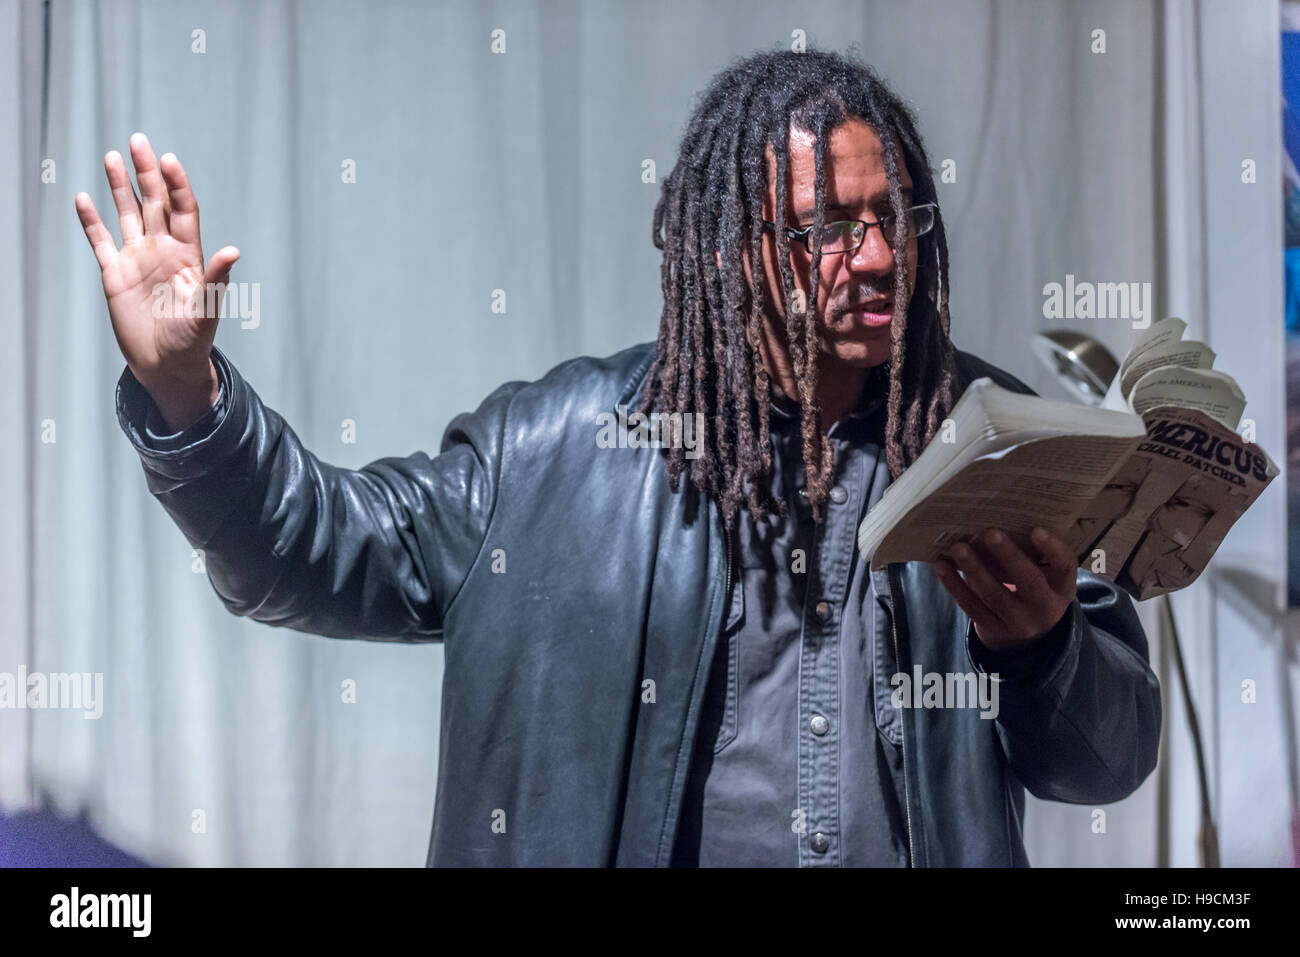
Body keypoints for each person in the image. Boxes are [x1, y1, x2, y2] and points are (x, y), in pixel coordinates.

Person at [76, 49, 1161, 867]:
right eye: (826, 228)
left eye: (893, 219)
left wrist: (1044, 648)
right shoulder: (557, 454)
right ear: (730, 249)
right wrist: (187, 390)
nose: (875, 258)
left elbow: (1105, 761)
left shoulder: (990, 442)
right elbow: (310, 552)